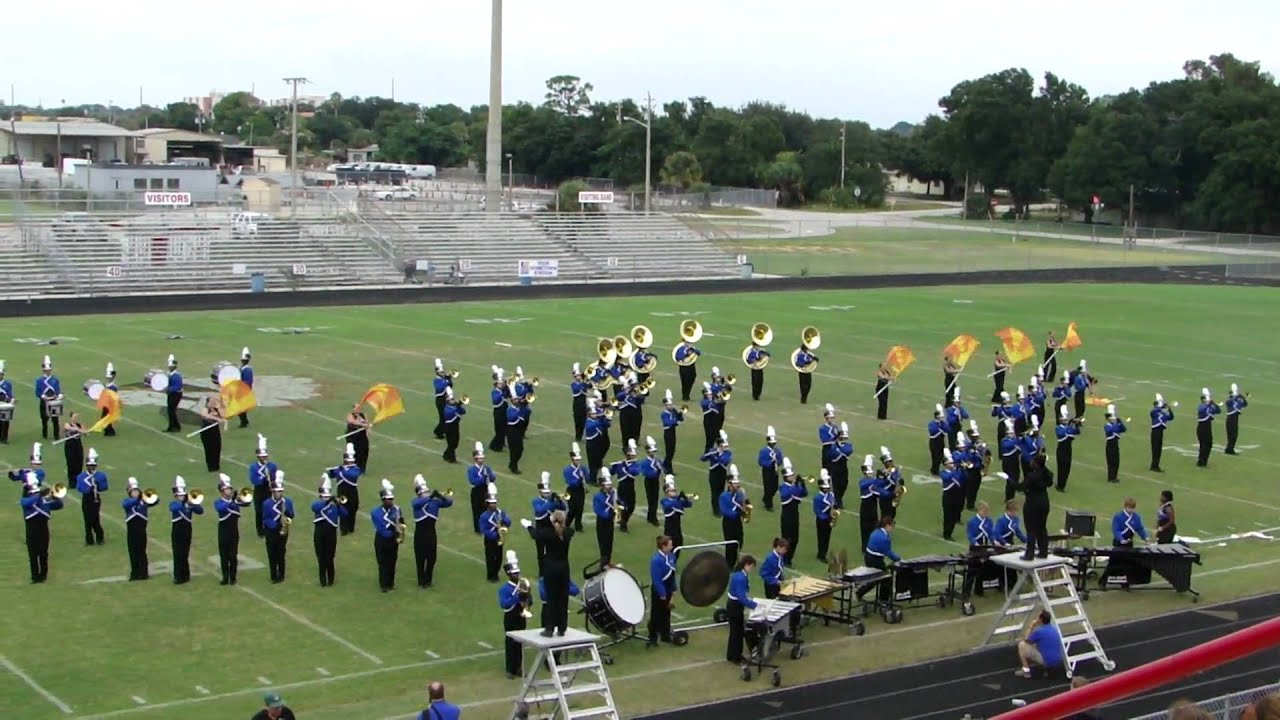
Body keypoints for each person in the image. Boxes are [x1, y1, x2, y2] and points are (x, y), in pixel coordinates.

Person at [528, 509, 575, 636]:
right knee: (563, 598)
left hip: (550, 568)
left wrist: (528, 526)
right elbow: (567, 529)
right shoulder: (568, 533)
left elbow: (535, 535)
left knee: (551, 598)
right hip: (564, 568)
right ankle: (562, 627)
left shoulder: (548, 533)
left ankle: (549, 628)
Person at [21, 472, 63, 583]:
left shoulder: (44, 499)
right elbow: (27, 503)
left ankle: (43, 575)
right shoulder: (25, 499)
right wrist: (39, 495)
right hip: (31, 528)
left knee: (43, 552)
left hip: (43, 527)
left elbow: (59, 505)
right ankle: (35, 576)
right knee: (33, 553)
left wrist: (55, 496)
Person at [411, 474, 451, 588]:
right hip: (420, 534)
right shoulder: (416, 502)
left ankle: (428, 579)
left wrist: (441, 497)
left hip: (431, 533)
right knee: (420, 558)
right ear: (420, 494)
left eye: (428, 491)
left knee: (432, 557)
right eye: (425, 492)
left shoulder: (435, 502)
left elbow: (449, 503)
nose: (427, 493)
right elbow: (416, 504)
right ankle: (421, 580)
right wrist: (429, 497)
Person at [498, 550, 531, 678]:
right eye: (514, 574)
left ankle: (518, 667)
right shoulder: (505, 589)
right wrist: (518, 597)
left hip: (520, 616)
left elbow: (530, 600)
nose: (517, 575)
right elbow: (504, 604)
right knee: (511, 643)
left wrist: (527, 598)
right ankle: (510, 669)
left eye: (517, 573)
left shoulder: (522, 585)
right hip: (510, 617)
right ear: (509, 575)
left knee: (519, 643)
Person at [312, 477, 348, 587]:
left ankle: (331, 579)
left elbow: (345, 514)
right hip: (319, 533)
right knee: (321, 557)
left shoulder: (334, 506)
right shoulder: (318, 504)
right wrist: (327, 501)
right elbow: (315, 507)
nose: (327, 498)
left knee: (330, 556)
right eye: (325, 496)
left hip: (331, 534)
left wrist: (338, 504)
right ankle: (323, 580)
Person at [214, 474, 249, 585]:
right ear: (222, 491)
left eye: (230, 489)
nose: (229, 491)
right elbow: (221, 508)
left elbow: (247, 503)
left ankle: (233, 577)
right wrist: (233, 501)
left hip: (234, 531)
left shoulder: (235, 502)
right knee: (223, 555)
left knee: (233, 556)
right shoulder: (218, 502)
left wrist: (238, 499)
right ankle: (225, 577)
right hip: (223, 531)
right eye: (227, 489)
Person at [169, 476, 203, 584]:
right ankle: (178, 576)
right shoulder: (174, 503)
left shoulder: (190, 504)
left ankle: (186, 575)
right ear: (176, 496)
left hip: (187, 529)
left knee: (185, 553)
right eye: (179, 496)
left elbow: (200, 511)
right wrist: (185, 503)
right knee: (177, 553)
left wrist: (192, 503)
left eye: (183, 495)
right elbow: (174, 508)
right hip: (177, 530)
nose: (181, 497)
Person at [725, 555, 759, 664]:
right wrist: (755, 605)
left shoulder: (739, 574)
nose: (752, 569)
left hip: (733, 604)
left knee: (735, 631)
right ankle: (736, 657)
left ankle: (731, 655)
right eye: (752, 567)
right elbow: (742, 597)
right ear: (746, 565)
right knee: (737, 632)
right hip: (735, 605)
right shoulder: (740, 578)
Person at [1019, 453, 1053, 560]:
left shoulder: (1032, 476)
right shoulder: (1046, 473)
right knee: (1042, 527)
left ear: (1037, 464)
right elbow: (1049, 482)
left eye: (1033, 462)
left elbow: (1021, 487)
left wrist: (1009, 480)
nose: (1031, 463)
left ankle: (1029, 554)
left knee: (1031, 528)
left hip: (1033, 504)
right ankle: (1043, 552)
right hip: (1044, 502)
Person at [262, 473, 294, 584]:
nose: (279, 493)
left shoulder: (287, 501)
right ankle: (273, 575)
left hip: (283, 529)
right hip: (271, 530)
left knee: (281, 553)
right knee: (272, 553)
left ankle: (281, 575)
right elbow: (265, 518)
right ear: (273, 491)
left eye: (281, 491)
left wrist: (287, 513)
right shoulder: (267, 503)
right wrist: (274, 525)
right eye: (277, 491)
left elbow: (291, 515)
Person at [372, 480, 403, 592]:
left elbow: (401, 521)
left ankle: (391, 583)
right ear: (383, 500)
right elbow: (383, 529)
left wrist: (402, 530)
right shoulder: (376, 512)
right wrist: (395, 531)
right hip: (382, 540)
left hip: (393, 540)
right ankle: (384, 585)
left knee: (392, 562)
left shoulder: (397, 509)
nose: (391, 501)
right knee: (383, 563)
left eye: (392, 499)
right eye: (389, 499)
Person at [328, 443, 364, 535]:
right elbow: (330, 474)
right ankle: (344, 529)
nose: (350, 463)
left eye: (351, 461)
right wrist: (333, 470)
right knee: (343, 509)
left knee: (353, 508)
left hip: (352, 491)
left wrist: (340, 470)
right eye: (348, 461)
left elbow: (352, 475)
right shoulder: (340, 469)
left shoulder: (355, 469)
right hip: (342, 491)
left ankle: (351, 527)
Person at [648, 535, 677, 646]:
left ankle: (665, 635)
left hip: (668, 588)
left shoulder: (671, 556)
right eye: (670, 544)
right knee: (656, 614)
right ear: (663, 546)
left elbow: (672, 574)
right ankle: (652, 638)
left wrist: (674, 589)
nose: (672, 546)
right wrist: (662, 594)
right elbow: (656, 579)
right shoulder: (656, 560)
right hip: (659, 591)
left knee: (666, 613)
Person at [1015, 611, 1064, 678]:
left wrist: (1031, 626)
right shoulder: (1054, 629)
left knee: (1022, 645)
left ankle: (1026, 671)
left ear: (1040, 619)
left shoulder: (1039, 631)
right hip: (1058, 660)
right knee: (1038, 645)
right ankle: (1049, 669)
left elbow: (1026, 640)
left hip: (1047, 661)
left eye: (1038, 617)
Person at [75, 447, 107, 546]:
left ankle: (100, 537)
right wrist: (88, 489)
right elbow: (79, 488)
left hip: (96, 499)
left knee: (95, 519)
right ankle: (89, 540)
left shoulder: (100, 475)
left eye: (93, 465)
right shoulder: (81, 476)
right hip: (86, 499)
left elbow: (105, 487)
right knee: (87, 520)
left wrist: (98, 485)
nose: (91, 467)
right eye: (90, 465)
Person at [480, 483, 511, 582]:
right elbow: (483, 529)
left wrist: (504, 522)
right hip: (490, 539)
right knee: (490, 557)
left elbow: (508, 522)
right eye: (492, 503)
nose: (494, 504)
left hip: (500, 537)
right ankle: (490, 575)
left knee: (499, 557)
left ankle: (496, 573)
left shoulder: (500, 512)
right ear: (488, 504)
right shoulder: (484, 516)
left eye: (495, 503)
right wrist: (494, 535)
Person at [777, 459, 806, 565]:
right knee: (787, 539)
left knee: (795, 538)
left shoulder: (794, 486)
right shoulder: (783, 487)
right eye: (791, 476)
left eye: (793, 475)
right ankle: (784, 558)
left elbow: (803, 494)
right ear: (786, 477)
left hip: (795, 514)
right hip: (786, 515)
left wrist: (802, 484)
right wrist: (796, 485)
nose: (793, 477)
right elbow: (787, 494)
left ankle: (789, 558)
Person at [719, 468, 748, 568]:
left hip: (737, 522)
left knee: (740, 541)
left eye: (737, 483)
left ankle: (737, 562)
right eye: (734, 484)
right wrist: (738, 512)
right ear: (729, 484)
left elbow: (743, 505)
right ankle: (729, 564)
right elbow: (725, 511)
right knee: (730, 544)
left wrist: (746, 504)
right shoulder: (724, 496)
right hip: (728, 523)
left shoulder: (739, 494)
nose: (737, 485)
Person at [122, 478, 150, 581]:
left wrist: (144, 497)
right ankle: (135, 573)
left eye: (137, 491)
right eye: (133, 491)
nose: (135, 493)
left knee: (141, 551)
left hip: (141, 530)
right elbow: (126, 505)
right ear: (129, 492)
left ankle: (144, 573)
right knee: (133, 551)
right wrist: (138, 499)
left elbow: (155, 500)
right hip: (132, 530)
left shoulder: (143, 501)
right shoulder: (128, 501)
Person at [593, 473, 618, 566]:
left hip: (610, 521)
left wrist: (620, 504)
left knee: (609, 542)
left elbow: (616, 503)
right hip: (602, 522)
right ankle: (603, 563)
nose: (610, 486)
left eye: (610, 484)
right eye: (608, 484)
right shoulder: (598, 496)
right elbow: (598, 510)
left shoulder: (612, 494)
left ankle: (608, 560)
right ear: (603, 485)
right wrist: (610, 514)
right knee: (603, 543)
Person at [35, 355, 61, 440]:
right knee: (44, 419)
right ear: (44, 370)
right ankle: (44, 434)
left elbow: (58, 390)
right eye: (46, 370)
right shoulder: (39, 380)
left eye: (49, 370)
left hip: (53, 401)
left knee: (55, 419)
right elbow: (37, 392)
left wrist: (58, 395)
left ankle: (56, 435)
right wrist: (43, 396)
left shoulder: (55, 379)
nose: (48, 372)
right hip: (44, 401)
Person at [198, 395, 227, 473]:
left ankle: (216, 466)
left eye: (214, 401)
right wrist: (217, 419)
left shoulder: (216, 409)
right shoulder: (205, 409)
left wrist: (221, 405)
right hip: (206, 431)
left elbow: (224, 416)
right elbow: (205, 415)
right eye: (212, 401)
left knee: (217, 447)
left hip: (215, 430)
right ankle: (211, 467)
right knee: (209, 449)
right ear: (208, 402)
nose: (214, 402)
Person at [1195, 388, 1221, 467]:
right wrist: (1209, 404)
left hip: (1208, 426)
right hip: (1202, 426)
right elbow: (1202, 410)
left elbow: (1218, 411)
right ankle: (1202, 461)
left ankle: (1202, 460)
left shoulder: (1210, 406)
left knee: (1207, 444)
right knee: (1204, 444)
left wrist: (1214, 404)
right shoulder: (1201, 406)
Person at [1149, 393, 1174, 472]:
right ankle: (1154, 466)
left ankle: (1155, 465)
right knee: (1155, 449)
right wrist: (1161, 408)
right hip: (1155, 432)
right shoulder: (1154, 412)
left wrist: (1169, 409)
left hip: (1160, 431)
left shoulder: (1164, 413)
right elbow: (1152, 411)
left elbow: (1171, 417)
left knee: (1158, 449)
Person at [1103, 405, 1127, 483]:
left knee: (1116, 461)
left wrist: (1121, 422)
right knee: (1111, 461)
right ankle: (1111, 477)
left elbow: (1124, 429)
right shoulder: (1107, 426)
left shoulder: (1115, 425)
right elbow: (1110, 430)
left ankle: (1114, 476)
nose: (1113, 420)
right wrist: (1117, 424)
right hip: (1110, 445)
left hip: (1115, 444)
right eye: (1111, 419)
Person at [441, 388, 465, 463]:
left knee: (456, 442)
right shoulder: (446, 408)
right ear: (447, 401)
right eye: (451, 400)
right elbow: (449, 414)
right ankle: (451, 458)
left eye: (453, 399)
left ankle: (446, 454)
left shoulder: (455, 407)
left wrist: (459, 405)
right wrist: (457, 407)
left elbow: (463, 412)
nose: (453, 401)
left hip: (455, 426)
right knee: (451, 443)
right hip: (449, 427)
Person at [345, 403, 371, 472]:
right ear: (353, 409)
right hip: (352, 436)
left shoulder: (363, 415)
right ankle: (352, 467)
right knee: (353, 452)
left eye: (359, 408)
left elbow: (367, 424)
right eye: (356, 408)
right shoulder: (350, 415)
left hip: (362, 436)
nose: (358, 409)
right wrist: (362, 424)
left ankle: (361, 468)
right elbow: (352, 421)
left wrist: (368, 430)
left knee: (364, 450)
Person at [1224, 383, 1248, 455]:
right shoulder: (1230, 399)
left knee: (1234, 434)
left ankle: (1229, 449)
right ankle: (1229, 449)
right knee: (1232, 434)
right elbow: (1228, 403)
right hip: (1231, 418)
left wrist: (1243, 397)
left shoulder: (1238, 398)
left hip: (1235, 418)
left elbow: (1245, 404)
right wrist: (1235, 397)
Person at [62, 412, 84, 487]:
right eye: (74, 416)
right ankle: (72, 482)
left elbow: (85, 432)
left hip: (78, 444)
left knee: (79, 462)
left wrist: (82, 431)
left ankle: (78, 480)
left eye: (76, 416)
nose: (75, 418)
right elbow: (67, 428)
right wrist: (77, 429)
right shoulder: (67, 424)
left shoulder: (79, 424)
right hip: (70, 444)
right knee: (71, 463)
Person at [490, 367, 509, 452]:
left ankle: (500, 443)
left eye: (502, 384)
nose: (501, 385)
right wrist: (503, 392)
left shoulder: (503, 391)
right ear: (496, 385)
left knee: (504, 428)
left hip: (504, 411)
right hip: (498, 412)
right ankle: (495, 446)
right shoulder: (495, 392)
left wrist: (508, 386)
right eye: (500, 384)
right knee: (499, 430)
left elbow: (509, 395)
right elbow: (496, 400)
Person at [164, 354, 183, 432]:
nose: (169, 367)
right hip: (173, 394)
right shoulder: (172, 375)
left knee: (171, 410)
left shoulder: (177, 376)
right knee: (171, 410)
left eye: (170, 366)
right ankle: (174, 426)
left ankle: (174, 426)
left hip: (176, 394)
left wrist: (169, 389)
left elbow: (178, 386)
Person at [237, 347, 253, 428]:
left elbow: (248, 382)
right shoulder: (241, 368)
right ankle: (244, 421)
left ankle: (244, 422)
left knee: (240, 407)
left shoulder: (248, 370)